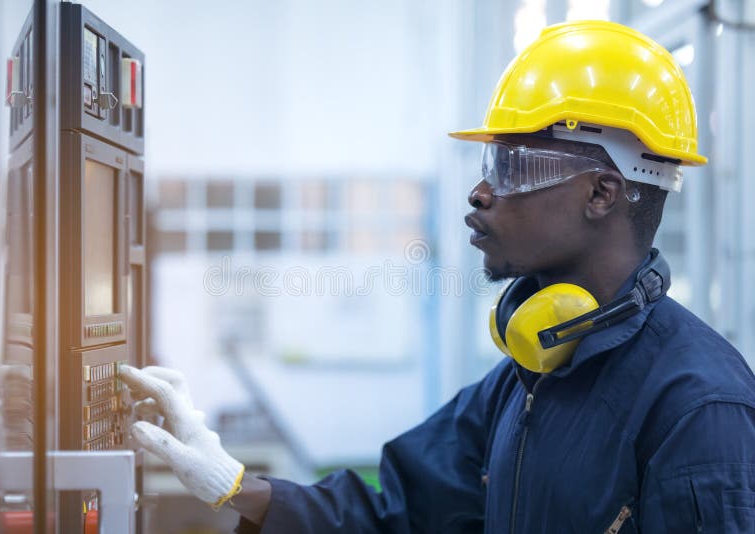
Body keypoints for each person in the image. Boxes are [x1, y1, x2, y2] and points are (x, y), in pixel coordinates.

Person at [120, 20, 755, 533]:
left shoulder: (697, 408)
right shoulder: (525, 379)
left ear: (602, 194)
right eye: (488, 163)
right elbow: (394, 510)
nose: (480, 193)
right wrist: (232, 481)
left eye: (513, 166)